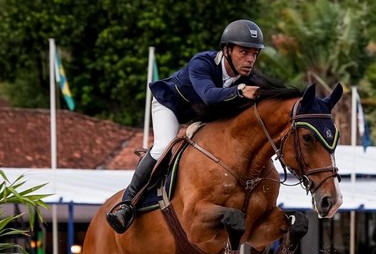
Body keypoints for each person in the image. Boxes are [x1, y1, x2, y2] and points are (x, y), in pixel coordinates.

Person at [106, 19, 266, 233]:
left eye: (254, 54)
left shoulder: (246, 78)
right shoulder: (202, 63)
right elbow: (209, 95)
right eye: (244, 52)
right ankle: (126, 205)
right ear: (227, 50)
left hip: (199, 115)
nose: (250, 59)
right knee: (164, 146)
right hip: (170, 104)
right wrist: (239, 92)